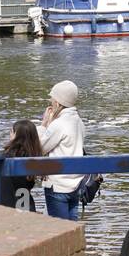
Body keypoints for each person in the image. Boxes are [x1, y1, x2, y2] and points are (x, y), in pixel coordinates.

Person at [37, 80, 86, 220]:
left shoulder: (58, 124)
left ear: (58, 103)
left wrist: (44, 124)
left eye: (52, 100)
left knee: (59, 228)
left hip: (58, 184)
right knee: (72, 227)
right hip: (76, 183)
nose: (51, 103)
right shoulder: (79, 122)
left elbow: (40, 148)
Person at [0, 120, 42, 211]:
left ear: (15, 135)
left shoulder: (5, 156)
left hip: (6, 202)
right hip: (25, 199)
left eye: (12, 132)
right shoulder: (34, 155)